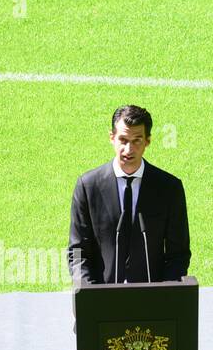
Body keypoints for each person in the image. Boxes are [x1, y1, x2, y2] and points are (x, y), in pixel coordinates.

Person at [68, 105, 190, 287]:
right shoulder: (88, 186)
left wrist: (164, 294)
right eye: (123, 140)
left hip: (152, 300)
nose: (128, 149)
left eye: (136, 141)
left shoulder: (169, 189)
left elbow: (178, 254)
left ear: (148, 141)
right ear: (112, 138)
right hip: (101, 299)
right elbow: (77, 252)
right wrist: (89, 293)